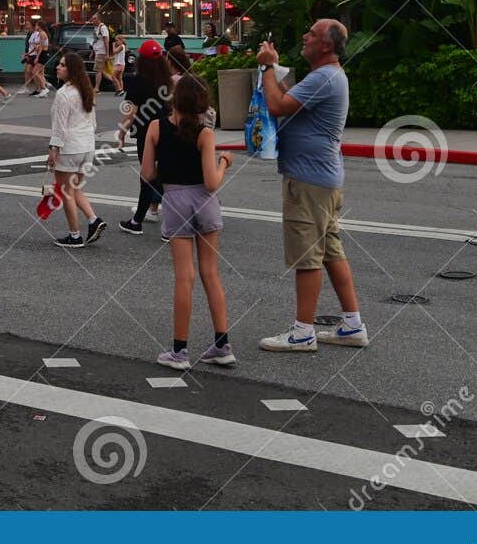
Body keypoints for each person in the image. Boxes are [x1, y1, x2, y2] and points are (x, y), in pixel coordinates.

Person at [255, 20, 369, 352]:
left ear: (327, 46)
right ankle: (352, 325)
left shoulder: (324, 77)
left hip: (309, 181)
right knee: (331, 252)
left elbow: (277, 105)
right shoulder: (327, 76)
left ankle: (303, 333)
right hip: (324, 179)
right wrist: (275, 70)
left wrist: (266, 68)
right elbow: (289, 98)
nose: (305, 37)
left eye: (312, 34)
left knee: (308, 257)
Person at [148, 75, 236, 370]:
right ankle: (222, 344)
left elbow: (147, 173)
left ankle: (179, 350)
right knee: (211, 273)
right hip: (205, 203)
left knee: (184, 277)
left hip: (175, 200)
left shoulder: (156, 127)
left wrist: (166, 167)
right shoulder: (204, 133)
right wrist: (224, 163)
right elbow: (211, 183)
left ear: (175, 99)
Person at [49, 53, 103, 247]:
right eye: (59, 64)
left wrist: (53, 149)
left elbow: (60, 126)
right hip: (87, 146)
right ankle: (93, 220)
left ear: (71, 70)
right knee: (75, 187)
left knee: (66, 191)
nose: (58, 67)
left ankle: (74, 235)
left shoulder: (63, 93)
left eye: (63, 65)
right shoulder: (86, 90)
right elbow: (93, 122)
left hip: (70, 147)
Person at [118, 40, 170, 235]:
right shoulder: (166, 80)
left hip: (146, 132)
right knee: (164, 173)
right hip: (167, 129)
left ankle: (137, 221)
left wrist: (122, 132)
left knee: (147, 175)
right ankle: (158, 216)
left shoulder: (137, 80)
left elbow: (131, 111)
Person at [23, 19, 47, 97]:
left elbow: (41, 47)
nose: (35, 27)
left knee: (36, 72)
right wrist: (28, 53)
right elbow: (36, 46)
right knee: (37, 72)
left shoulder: (42, 34)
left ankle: (44, 88)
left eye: (36, 25)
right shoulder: (38, 33)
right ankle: (40, 90)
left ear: (39, 26)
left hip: (42, 54)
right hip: (38, 54)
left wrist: (37, 57)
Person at [90, 16, 112, 94]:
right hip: (97, 51)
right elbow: (95, 41)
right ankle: (116, 83)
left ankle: (96, 88)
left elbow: (106, 41)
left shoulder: (103, 28)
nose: (92, 20)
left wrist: (107, 54)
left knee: (98, 70)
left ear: (98, 19)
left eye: (94, 19)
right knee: (102, 71)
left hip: (101, 52)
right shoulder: (96, 28)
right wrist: (92, 52)